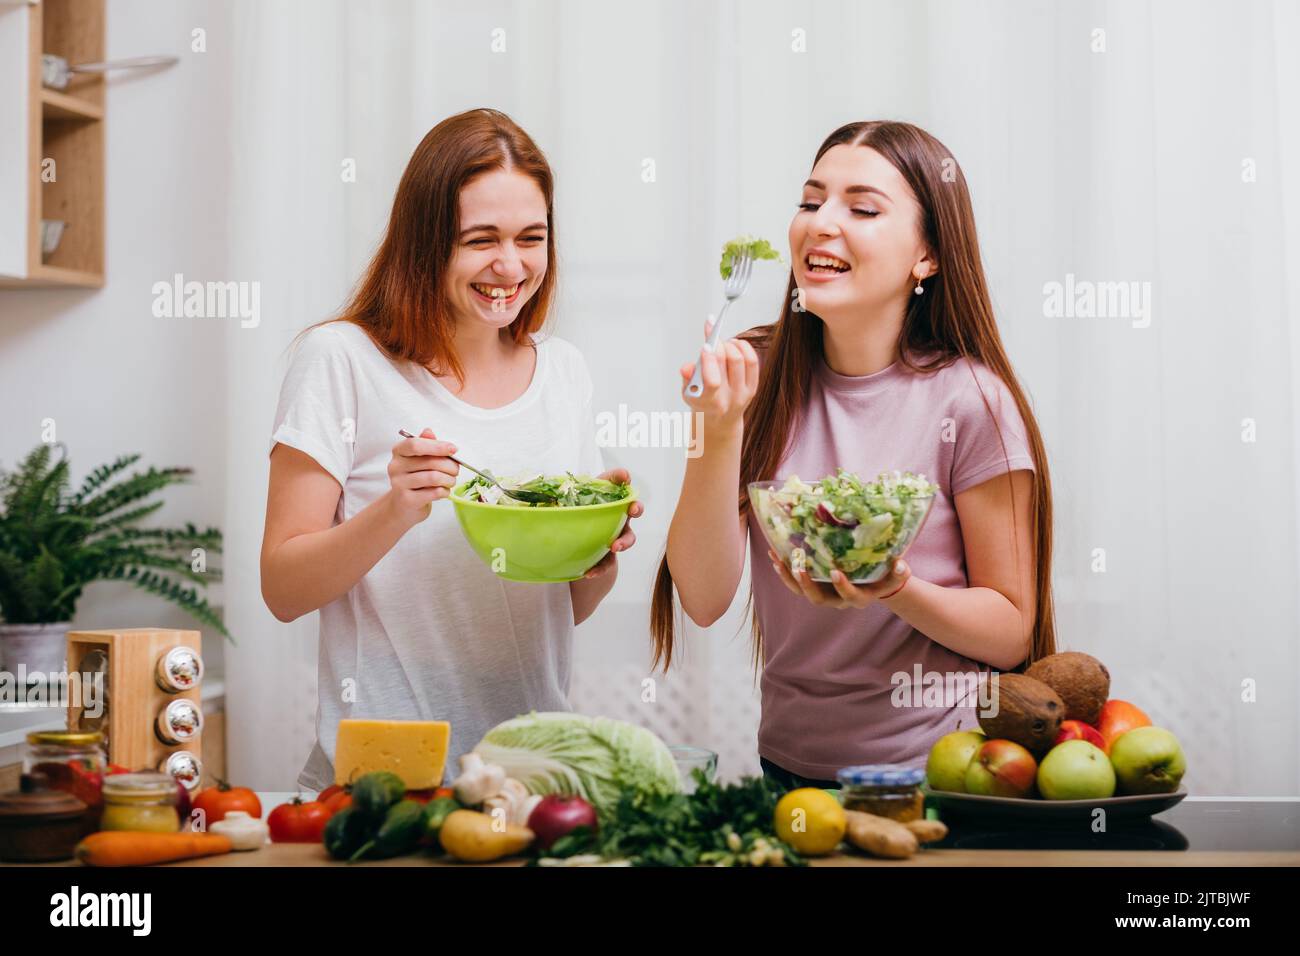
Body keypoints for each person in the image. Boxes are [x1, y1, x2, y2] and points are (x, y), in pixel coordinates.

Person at [653, 120, 1055, 791]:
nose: (820, 224)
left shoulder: (971, 403)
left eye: (862, 209)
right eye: (811, 203)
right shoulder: (753, 375)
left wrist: (895, 588)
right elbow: (701, 596)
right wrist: (716, 433)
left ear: (926, 257)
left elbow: (1012, 630)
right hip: (788, 767)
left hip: (944, 775)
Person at [261, 109, 641, 790]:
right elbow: (283, 589)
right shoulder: (341, 360)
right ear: (425, 242)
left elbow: (567, 608)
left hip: (530, 777)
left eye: (532, 238)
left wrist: (594, 555)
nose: (510, 265)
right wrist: (395, 510)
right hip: (383, 784)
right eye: (480, 240)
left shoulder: (564, 373)